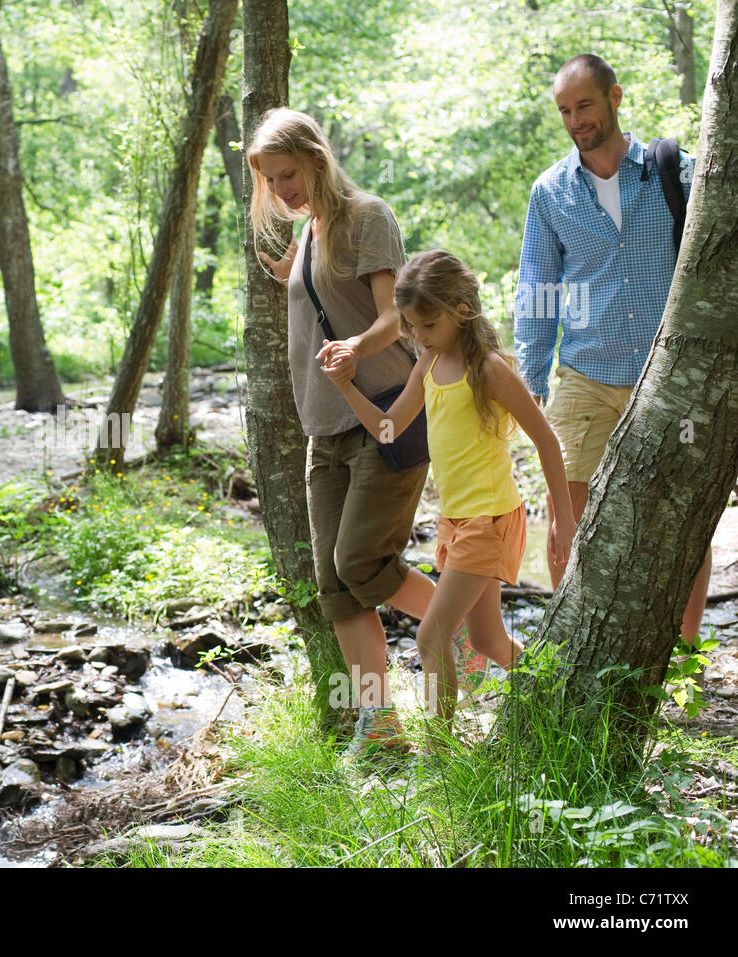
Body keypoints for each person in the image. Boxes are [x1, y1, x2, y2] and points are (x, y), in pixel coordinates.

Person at [248, 108, 437, 757]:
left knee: (360, 562)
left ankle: (464, 622)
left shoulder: (367, 217)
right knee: (335, 586)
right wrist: (288, 275)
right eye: (271, 182)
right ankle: (380, 727)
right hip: (322, 430)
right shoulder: (309, 234)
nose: (282, 190)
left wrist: (356, 346)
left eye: (288, 174)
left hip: (383, 418)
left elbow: (397, 317)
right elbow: (319, 295)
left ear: (317, 159)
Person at [323, 250, 577, 728]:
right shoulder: (428, 363)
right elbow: (386, 430)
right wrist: (345, 385)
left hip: (491, 518)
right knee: (486, 642)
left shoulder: (491, 369)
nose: (418, 336)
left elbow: (546, 439)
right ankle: (561, 699)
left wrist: (563, 520)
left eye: (428, 325)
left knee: (431, 637)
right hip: (456, 522)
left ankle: (441, 755)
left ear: (462, 310)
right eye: (412, 327)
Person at [515, 53, 710, 643]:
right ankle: (568, 652)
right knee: (564, 517)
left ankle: (683, 652)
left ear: (615, 98)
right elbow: (539, 289)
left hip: (669, 376)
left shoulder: (680, 174)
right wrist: (531, 378)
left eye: (585, 105)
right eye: (565, 111)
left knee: (683, 523)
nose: (576, 120)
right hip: (585, 374)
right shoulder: (550, 192)